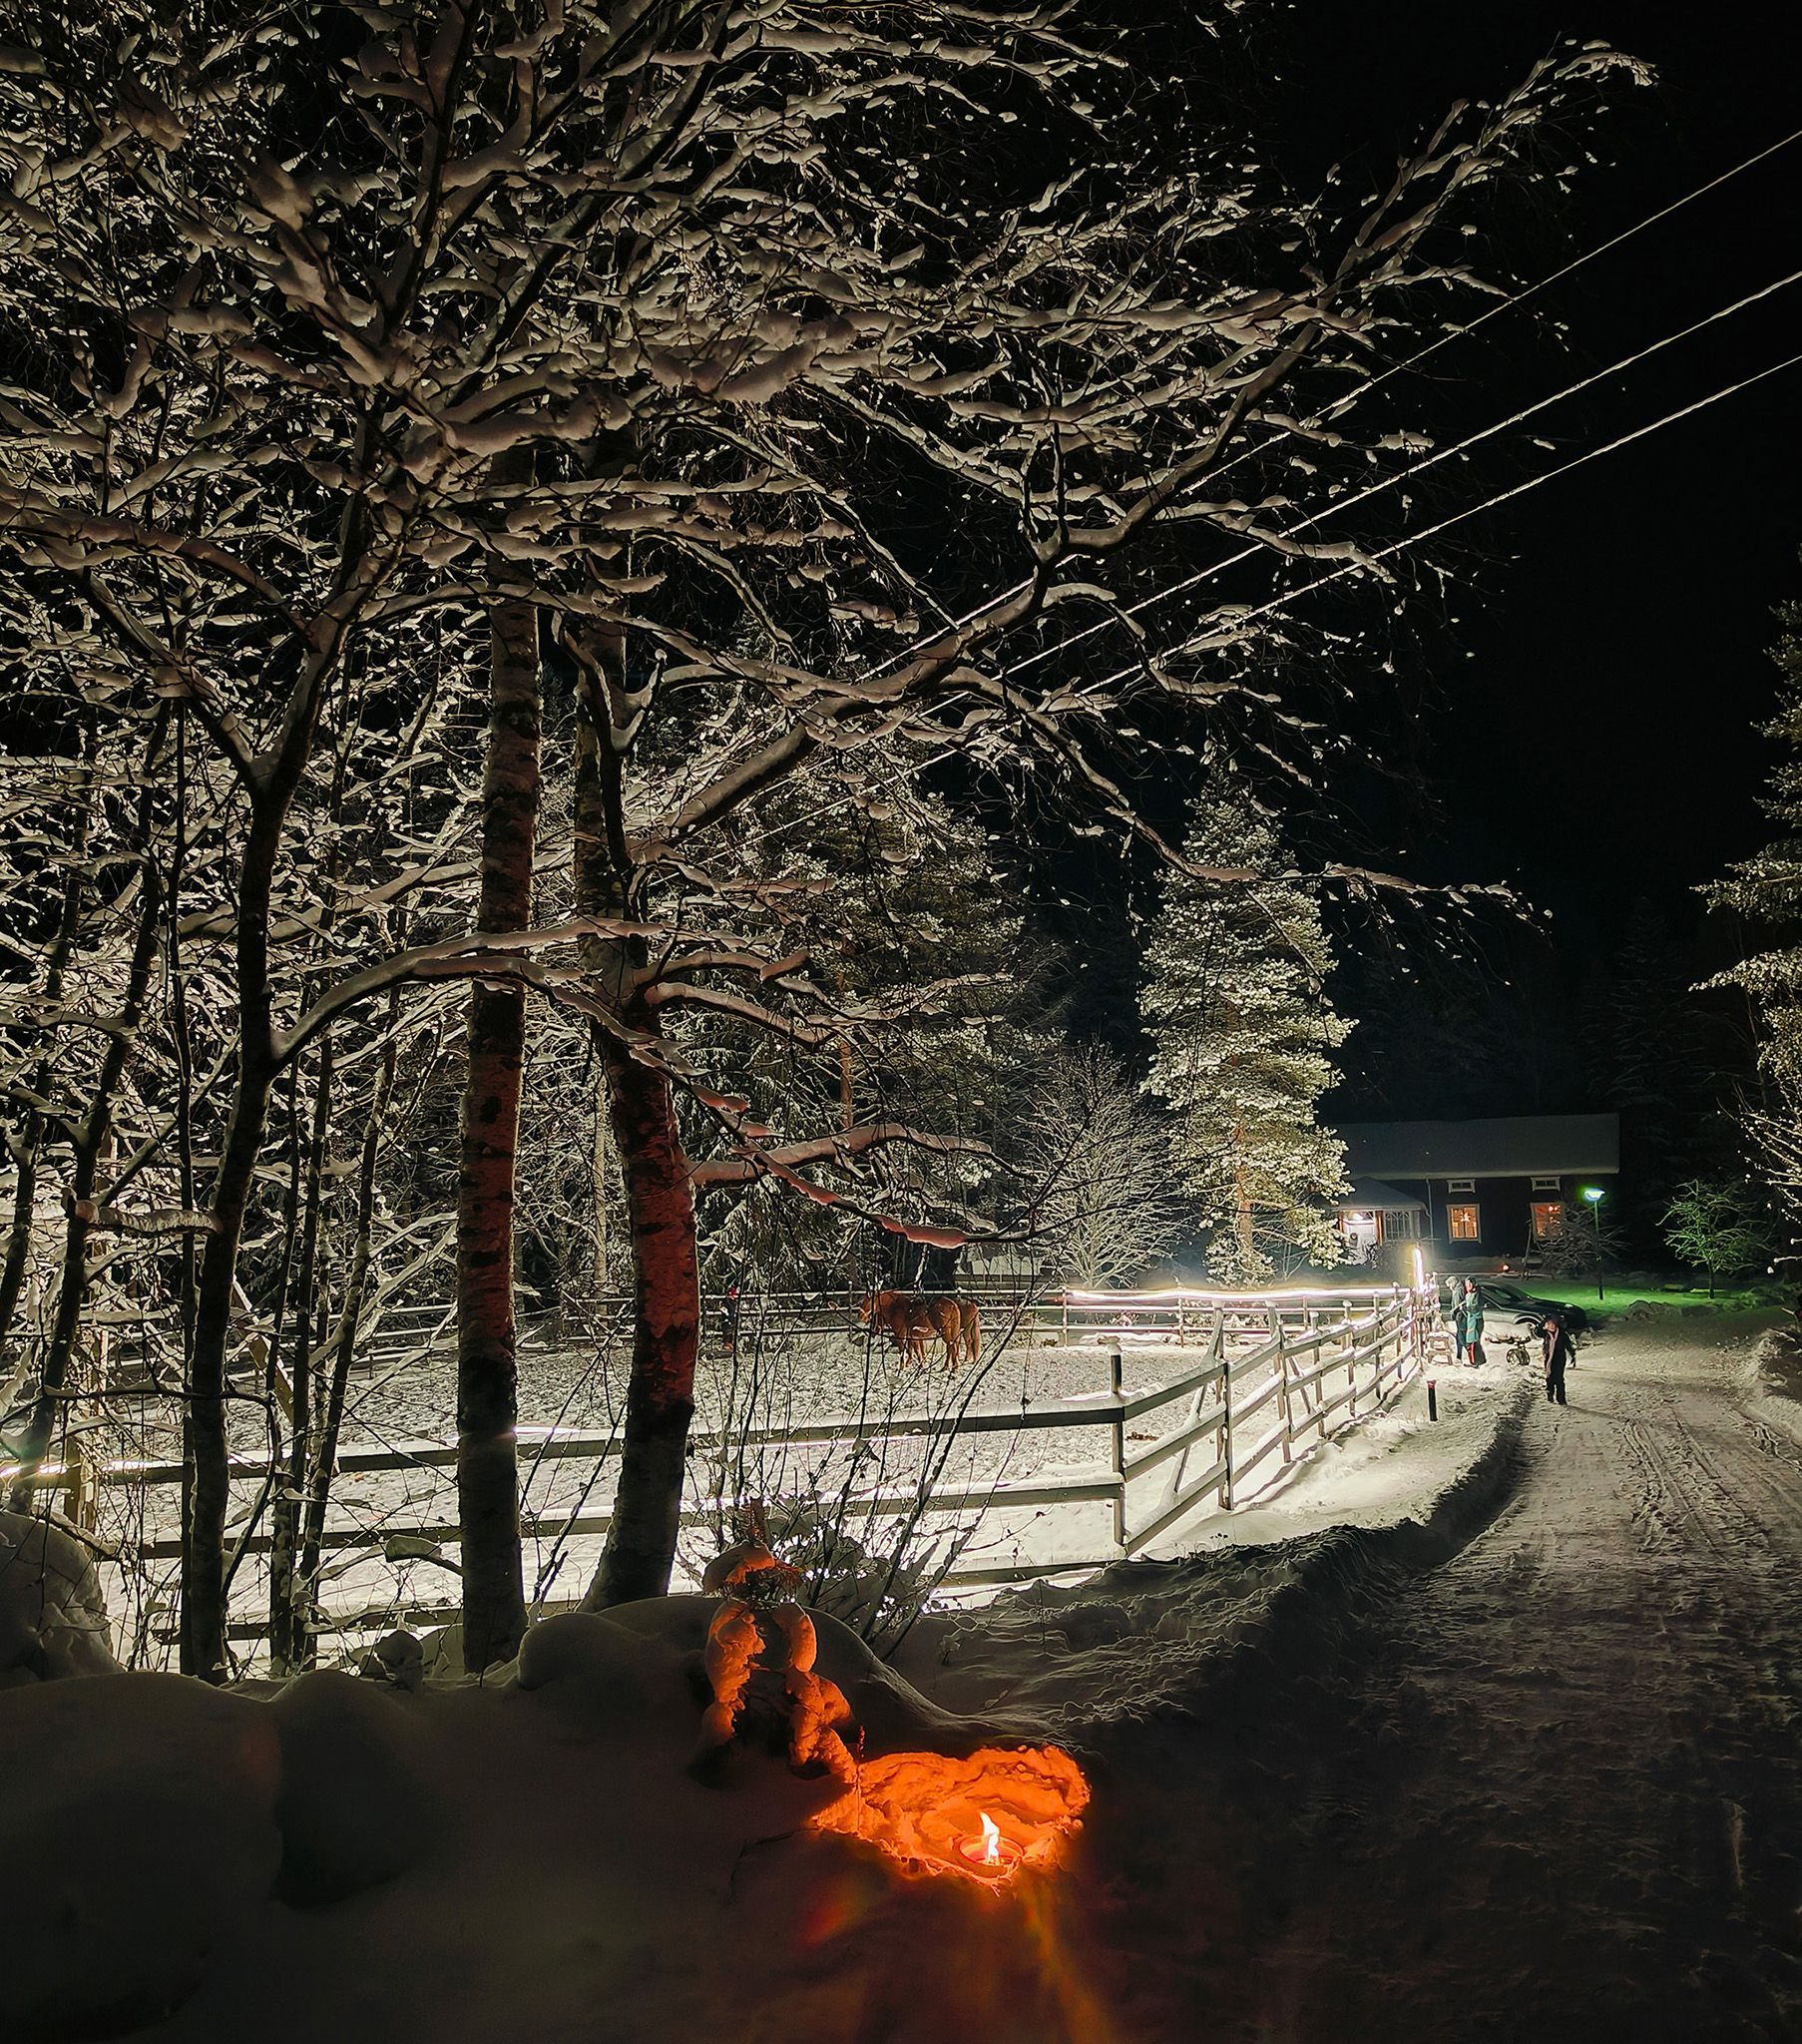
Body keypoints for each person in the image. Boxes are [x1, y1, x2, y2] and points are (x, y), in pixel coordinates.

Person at [1542, 1308, 1574, 1406]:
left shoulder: (1562, 1334)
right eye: (1549, 1325)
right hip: (1548, 1359)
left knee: (1559, 1379)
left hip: (1559, 1359)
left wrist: (1572, 1354)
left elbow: (1568, 1345)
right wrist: (1543, 1322)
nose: (1551, 1327)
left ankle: (1561, 1399)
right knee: (1549, 1377)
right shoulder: (1546, 1334)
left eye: (1553, 1325)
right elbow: (1537, 1332)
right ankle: (1550, 1394)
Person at [1458, 1278, 1485, 1365]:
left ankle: (1476, 1361)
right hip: (1470, 1321)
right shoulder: (1468, 1295)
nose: (1467, 1286)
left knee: (1474, 1342)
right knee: (1470, 1341)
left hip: (1476, 1321)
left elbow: (1476, 1308)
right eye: (1466, 1285)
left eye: (1469, 1284)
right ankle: (1475, 1360)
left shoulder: (1477, 1295)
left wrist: (1467, 1308)